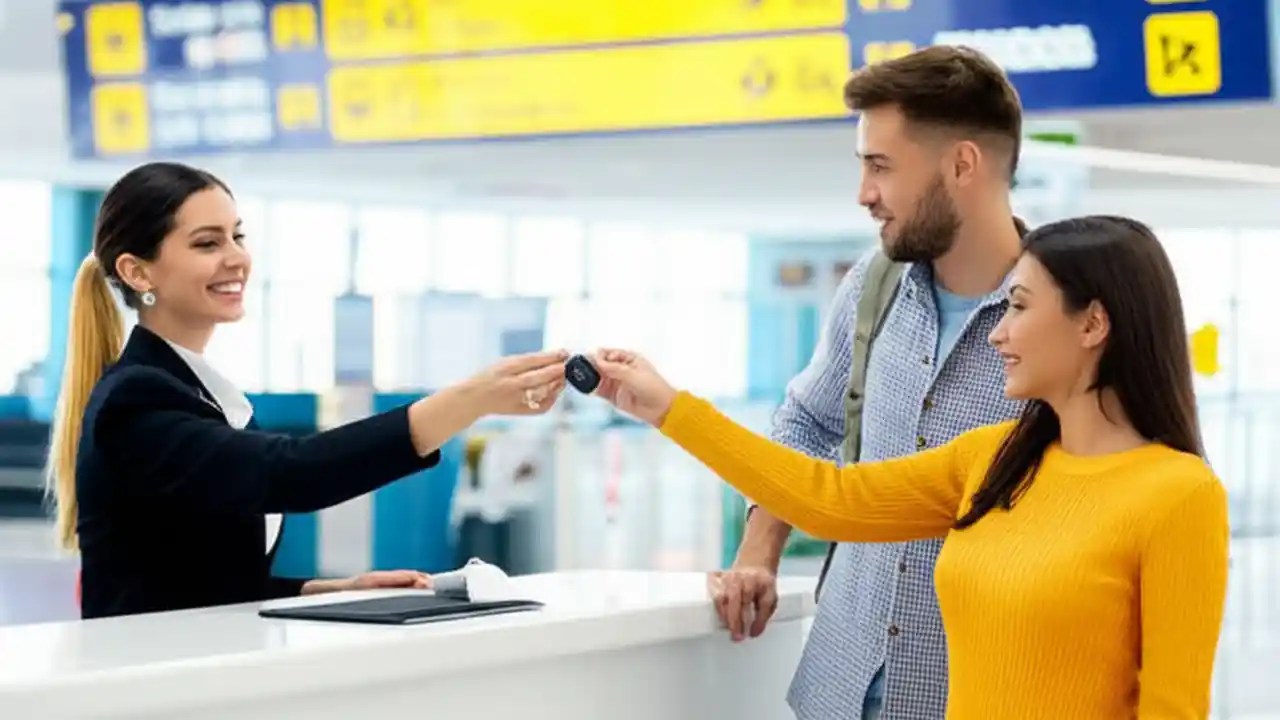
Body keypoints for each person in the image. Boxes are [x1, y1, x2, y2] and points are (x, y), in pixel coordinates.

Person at [589, 215, 1230, 719]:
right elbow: (828, 500)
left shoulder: (1178, 495)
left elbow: (1173, 710)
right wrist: (669, 409)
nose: (998, 332)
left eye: (1019, 306)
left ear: (1092, 323)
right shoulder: (991, 459)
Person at [46, 162, 569, 619]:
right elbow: (295, 473)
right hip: (146, 682)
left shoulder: (199, 393)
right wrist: (470, 399)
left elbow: (200, 584)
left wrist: (329, 589)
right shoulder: (136, 400)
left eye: (237, 236)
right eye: (207, 243)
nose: (236, 258)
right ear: (137, 272)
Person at [711, 45, 1027, 719]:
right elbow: (807, 420)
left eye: (880, 166)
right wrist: (760, 549)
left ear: (962, 165)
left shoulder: (1066, 316)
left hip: (973, 692)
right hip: (840, 687)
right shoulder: (873, 285)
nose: (864, 193)